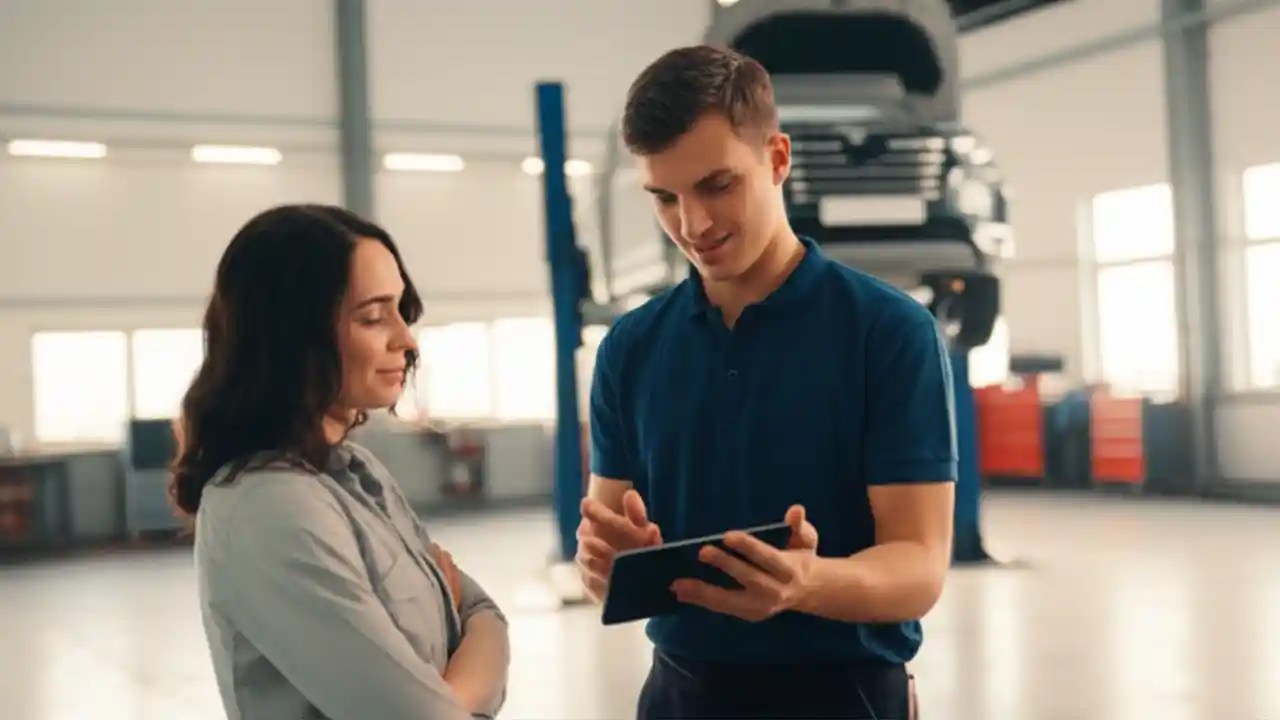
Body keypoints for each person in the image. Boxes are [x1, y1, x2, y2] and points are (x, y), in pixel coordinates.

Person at [575, 45, 956, 719]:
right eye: (665, 197)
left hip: (844, 695)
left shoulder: (887, 332)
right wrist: (605, 568)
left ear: (778, 159)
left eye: (718, 185)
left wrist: (807, 583)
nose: (692, 226)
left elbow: (920, 565)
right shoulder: (630, 350)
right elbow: (607, 555)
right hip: (678, 696)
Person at [172, 204, 509, 720]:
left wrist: (445, 700)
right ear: (292, 335)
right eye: (373, 317)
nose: (407, 339)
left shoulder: (357, 473)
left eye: (402, 311)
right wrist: (452, 696)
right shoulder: (268, 507)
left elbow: (486, 616)